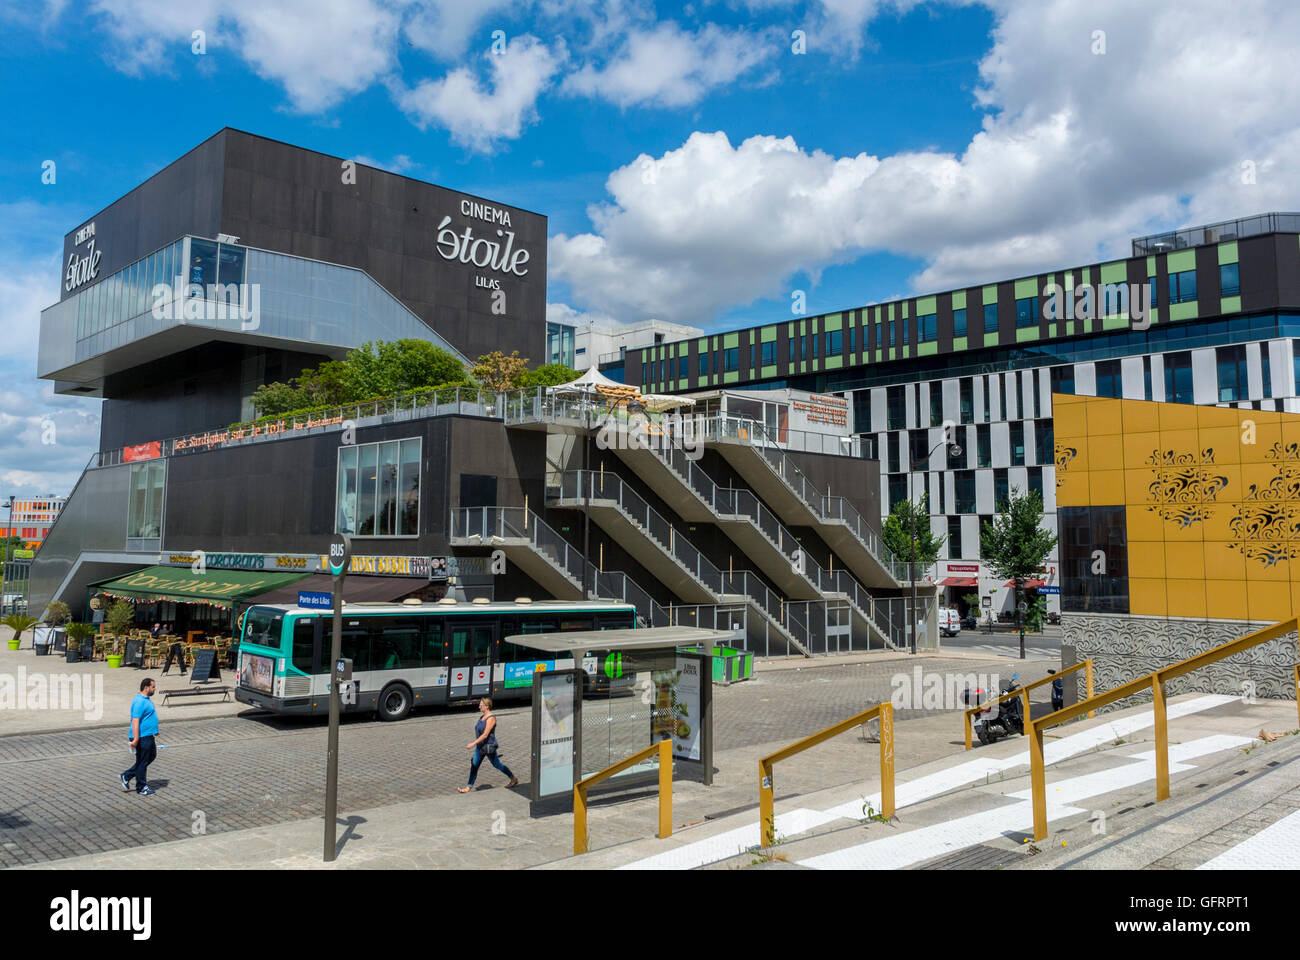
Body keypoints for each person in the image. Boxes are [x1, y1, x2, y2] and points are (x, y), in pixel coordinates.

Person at [457, 697, 517, 793]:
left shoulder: (491, 718)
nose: (479, 707)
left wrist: (473, 743)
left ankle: (513, 778)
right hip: (480, 747)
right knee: (474, 765)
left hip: (488, 747)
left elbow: (485, 735)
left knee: (497, 765)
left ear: (487, 706)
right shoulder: (482, 717)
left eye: (481, 705)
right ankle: (468, 787)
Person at [121, 678, 159, 796]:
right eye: (153, 687)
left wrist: (154, 730)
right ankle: (141, 787)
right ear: (146, 687)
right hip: (142, 737)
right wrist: (136, 739)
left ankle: (126, 775)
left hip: (148, 734)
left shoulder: (145, 699)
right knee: (142, 761)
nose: (155, 689)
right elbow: (135, 721)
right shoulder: (139, 701)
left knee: (151, 756)